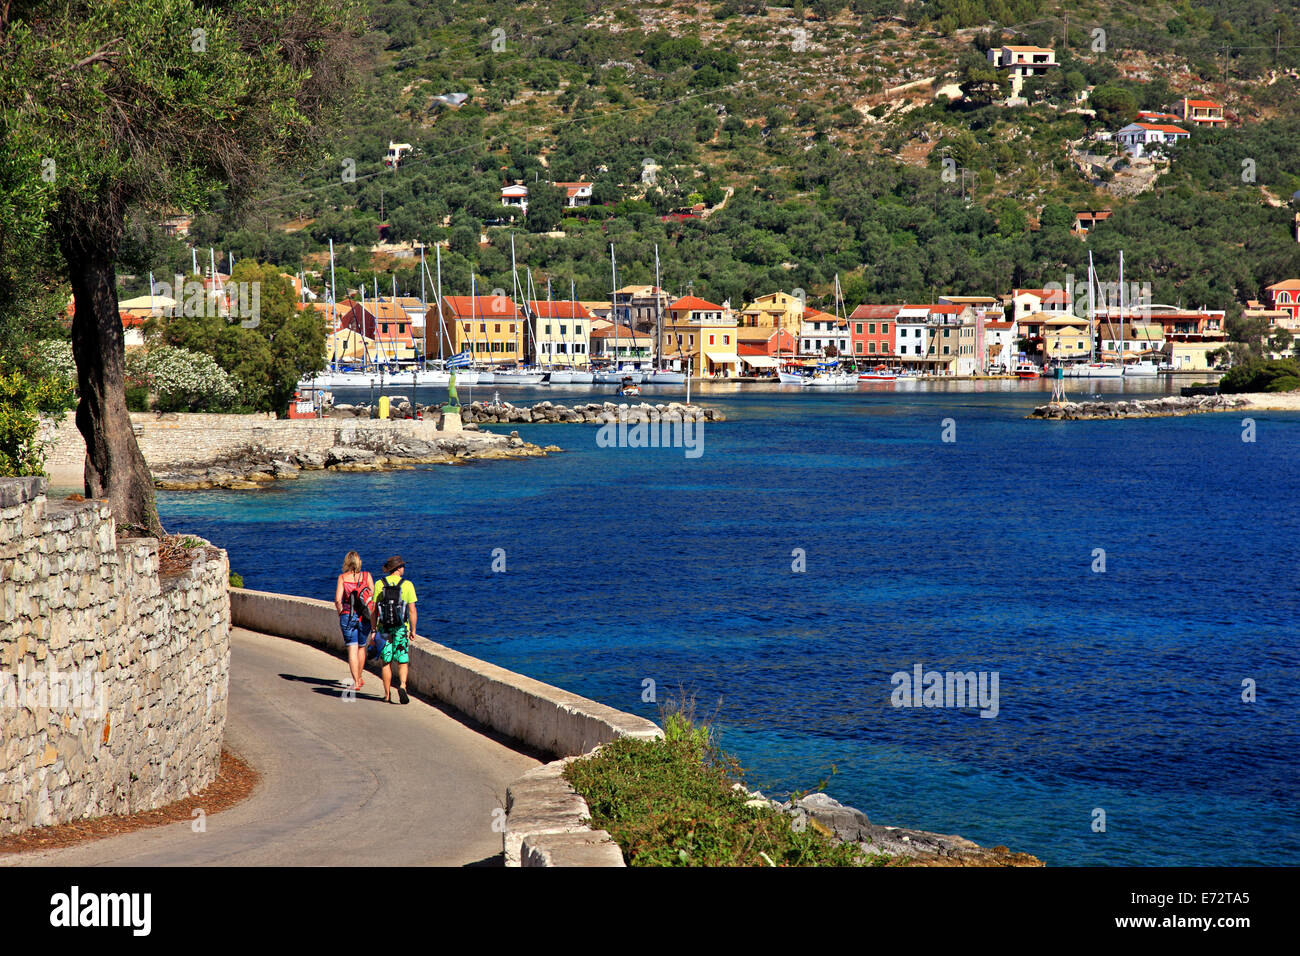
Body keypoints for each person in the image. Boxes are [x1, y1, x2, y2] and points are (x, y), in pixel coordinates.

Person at [371, 555, 417, 704]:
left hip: (384, 627)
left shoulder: (379, 584)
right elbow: (412, 611)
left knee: (386, 661)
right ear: (398, 569)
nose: (404, 568)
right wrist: (413, 630)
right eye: (402, 566)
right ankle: (402, 685)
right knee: (402, 660)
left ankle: (387, 695)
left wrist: (373, 629)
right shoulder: (407, 584)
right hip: (401, 627)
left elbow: (374, 610)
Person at [334, 551, 374, 692]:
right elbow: (372, 598)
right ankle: (360, 676)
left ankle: (356, 681)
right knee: (361, 647)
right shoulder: (367, 576)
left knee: (352, 648)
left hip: (348, 616)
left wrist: (341, 613)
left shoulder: (343, 578)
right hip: (364, 618)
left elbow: (338, 600)